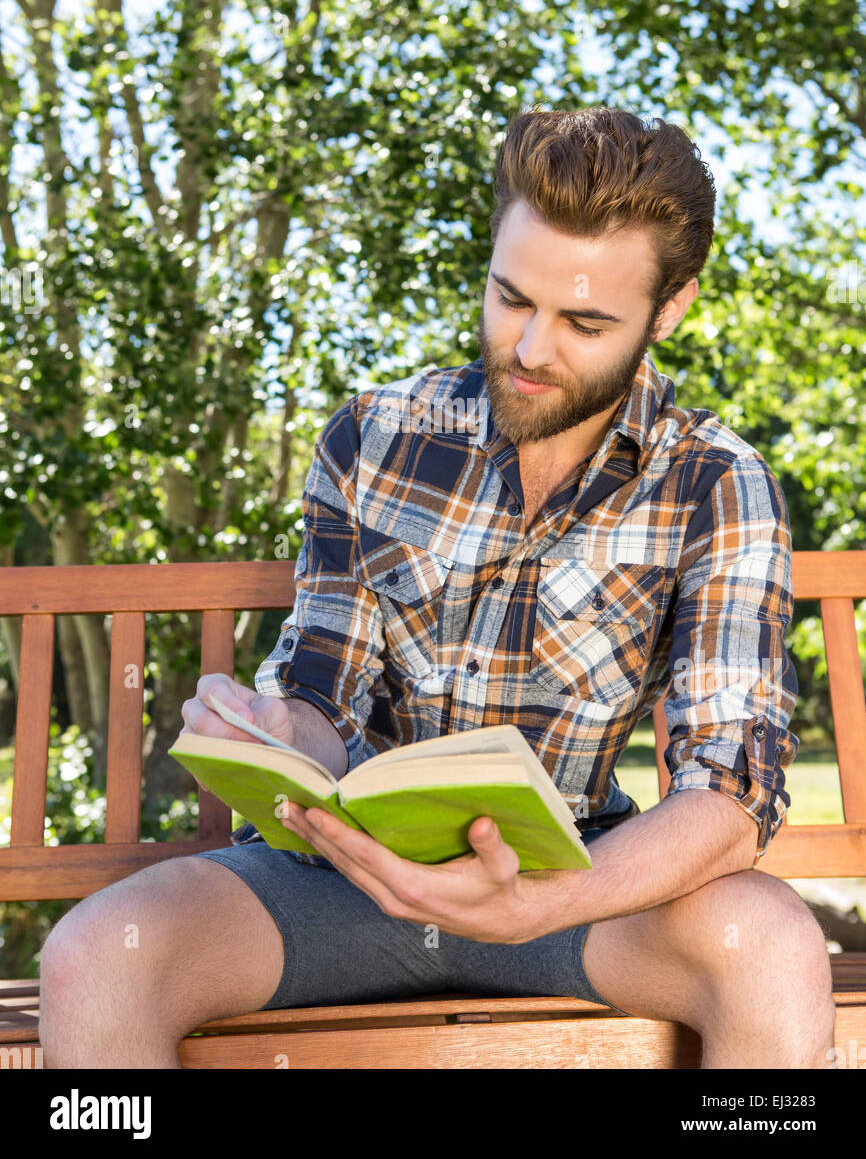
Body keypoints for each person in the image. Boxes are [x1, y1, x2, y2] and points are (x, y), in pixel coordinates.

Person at [38, 106, 834, 1069]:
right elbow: (325, 694)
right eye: (511, 298)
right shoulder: (375, 437)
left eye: (585, 321)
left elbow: (731, 792)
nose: (532, 348)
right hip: (345, 880)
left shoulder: (715, 482)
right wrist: (272, 730)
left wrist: (541, 900)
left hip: (572, 893)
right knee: (93, 955)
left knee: (772, 945)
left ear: (669, 309)